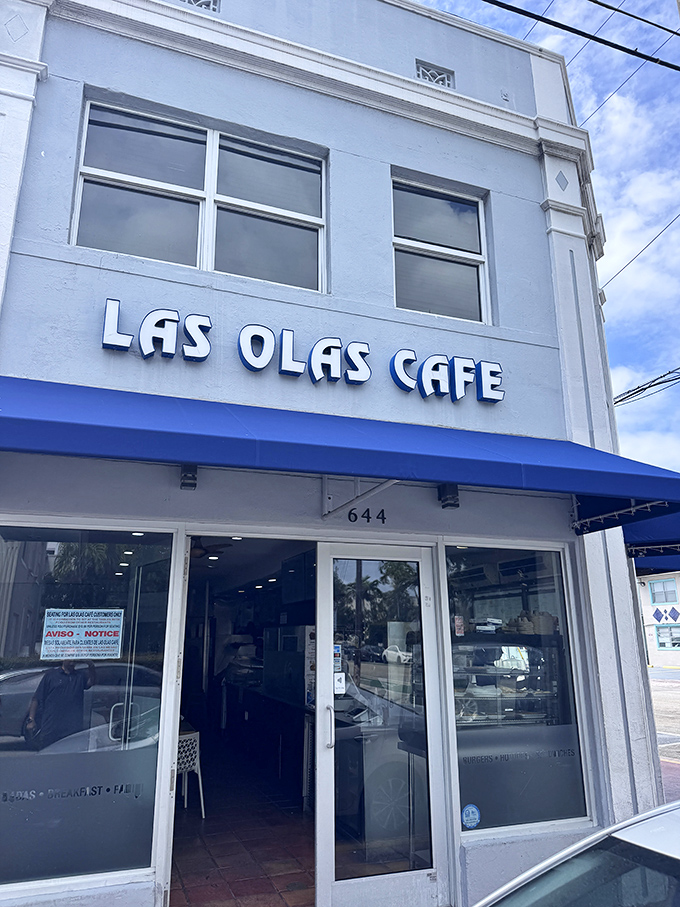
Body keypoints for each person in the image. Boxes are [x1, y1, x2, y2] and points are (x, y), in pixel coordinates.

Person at [26, 660, 96, 749]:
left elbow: (91, 682)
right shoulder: (51, 675)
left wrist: (91, 666)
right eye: (70, 658)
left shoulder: (80, 676)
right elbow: (36, 698)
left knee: (70, 753)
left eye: (74, 659)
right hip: (51, 726)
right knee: (48, 753)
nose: (72, 662)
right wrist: (31, 720)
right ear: (63, 659)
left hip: (72, 727)